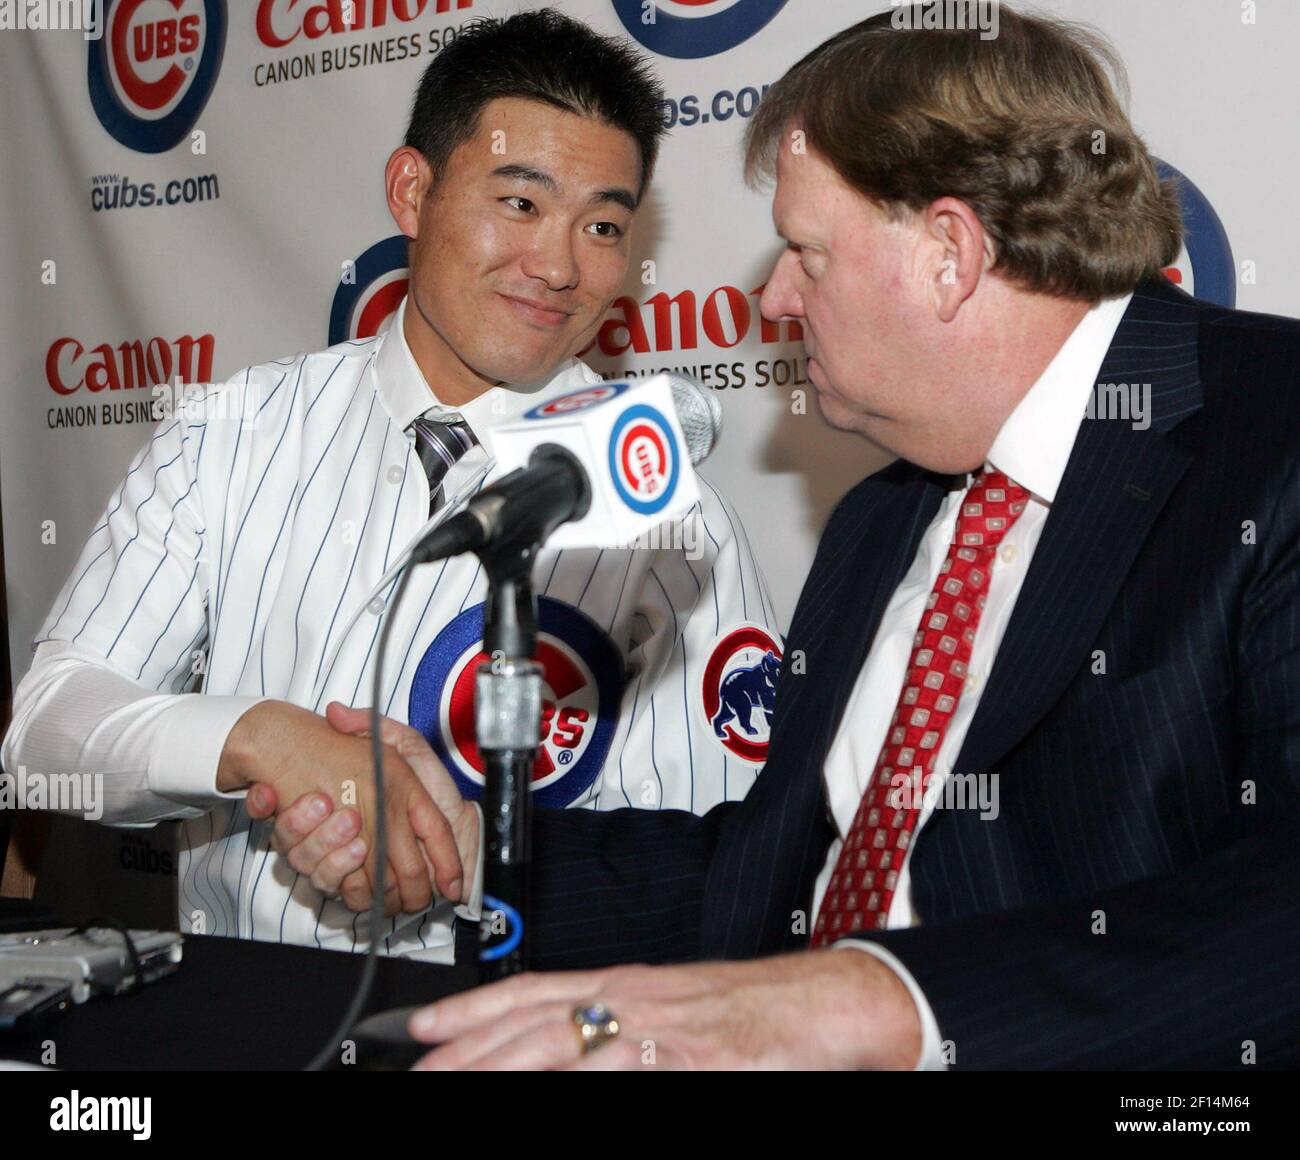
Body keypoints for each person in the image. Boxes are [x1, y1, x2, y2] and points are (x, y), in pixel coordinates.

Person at [264, 3, 1300, 1069]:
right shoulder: (884, 512)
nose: (773, 294)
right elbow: (772, 874)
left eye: (806, 250)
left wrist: (869, 1002)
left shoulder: (1273, 438)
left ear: (948, 251)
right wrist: (477, 846)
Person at [0, 12, 779, 963]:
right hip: (235, 1015)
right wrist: (262, 739)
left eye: (604, 224)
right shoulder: (233, 432)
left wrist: (461, 855)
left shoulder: (670, 517)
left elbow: (726, 866)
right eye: (521, 204)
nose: (560, 266)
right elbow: (46, 733)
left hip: (518, 1035)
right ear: (413, 191)